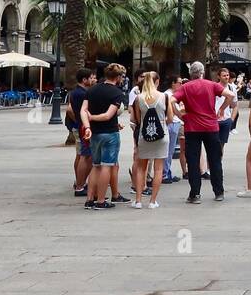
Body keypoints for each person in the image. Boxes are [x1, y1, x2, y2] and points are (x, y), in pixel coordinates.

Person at [173, 61, 230, 204]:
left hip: (192, 127)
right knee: (215, 160)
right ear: (202, 72)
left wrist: (180, 116)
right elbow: (230, 95)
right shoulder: (211, 85)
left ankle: (195, 194)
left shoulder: (186, 87)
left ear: (191, 74)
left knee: (193, 161)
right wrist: (222, 109)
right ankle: (219, 192)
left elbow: (171, 100)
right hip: (211, 127)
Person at [80, 63, 127, 210]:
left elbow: (83, 110)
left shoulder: (92, 89)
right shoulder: (117, 93)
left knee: (96, 165)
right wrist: (93, 118)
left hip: (94, 133)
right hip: (110, 133)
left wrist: (87, 126)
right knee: (107, 166)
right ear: (118, 77)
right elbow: (108, 115)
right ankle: (101, 200)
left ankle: (89, 199)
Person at [131, 71, 172, 208]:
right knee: (158, 168)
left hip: (144, 135)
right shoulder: (164, 97)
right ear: (157, 81)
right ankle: (153, 201)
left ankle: (138, 201)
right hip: (162, 135)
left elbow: (137, 119)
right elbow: (170, 118)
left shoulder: (138, 98)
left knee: (141, 168)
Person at [67, 68, 95, 197]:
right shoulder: (83, 94)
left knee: (81, 156)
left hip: (80, 125)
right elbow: (71, 110)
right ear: (84, 80)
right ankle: (80, 184)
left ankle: (80, 182)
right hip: (84, 127)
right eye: (91, 78)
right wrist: (81, 121)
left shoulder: (75, 92)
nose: (92, 80)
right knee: (85, 156)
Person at [216, 65, 239, 148]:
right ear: (219, 76)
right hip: (215, 120)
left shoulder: (232, 88)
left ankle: (219, 161)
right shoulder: (214, 87)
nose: (226, 77)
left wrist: (231, 120)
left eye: (227, 75)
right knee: (214, 146)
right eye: (224, 75)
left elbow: (235, 106)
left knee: (221, 145)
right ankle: (211, 161)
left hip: (226, 120)